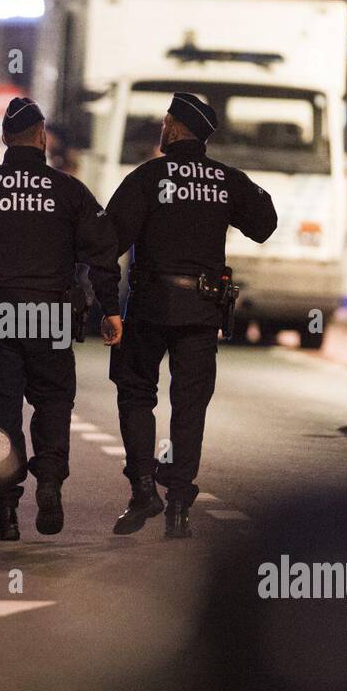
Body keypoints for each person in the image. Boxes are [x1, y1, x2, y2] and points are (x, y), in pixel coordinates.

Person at [0, 97, 123, 541]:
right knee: (53, 401)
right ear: (42, 137)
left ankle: (5, 511)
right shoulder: (68, 190)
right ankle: (50, 479)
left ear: (4, 138)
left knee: (0, 410)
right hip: (51, 311)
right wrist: (111, 308)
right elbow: (103, 251)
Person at [106, 92, 277, 538]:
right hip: (202, 310)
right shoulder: (225, 179)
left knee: (136, 393)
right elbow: (265, 225)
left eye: (166, 122)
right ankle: (179, 501)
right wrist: (240, 191)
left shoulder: (148, 176)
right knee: (189, 404)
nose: (162, 129)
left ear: (178, 128)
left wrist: (105, 304)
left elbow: (108, 241)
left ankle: (144, 487)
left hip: (150, 306)